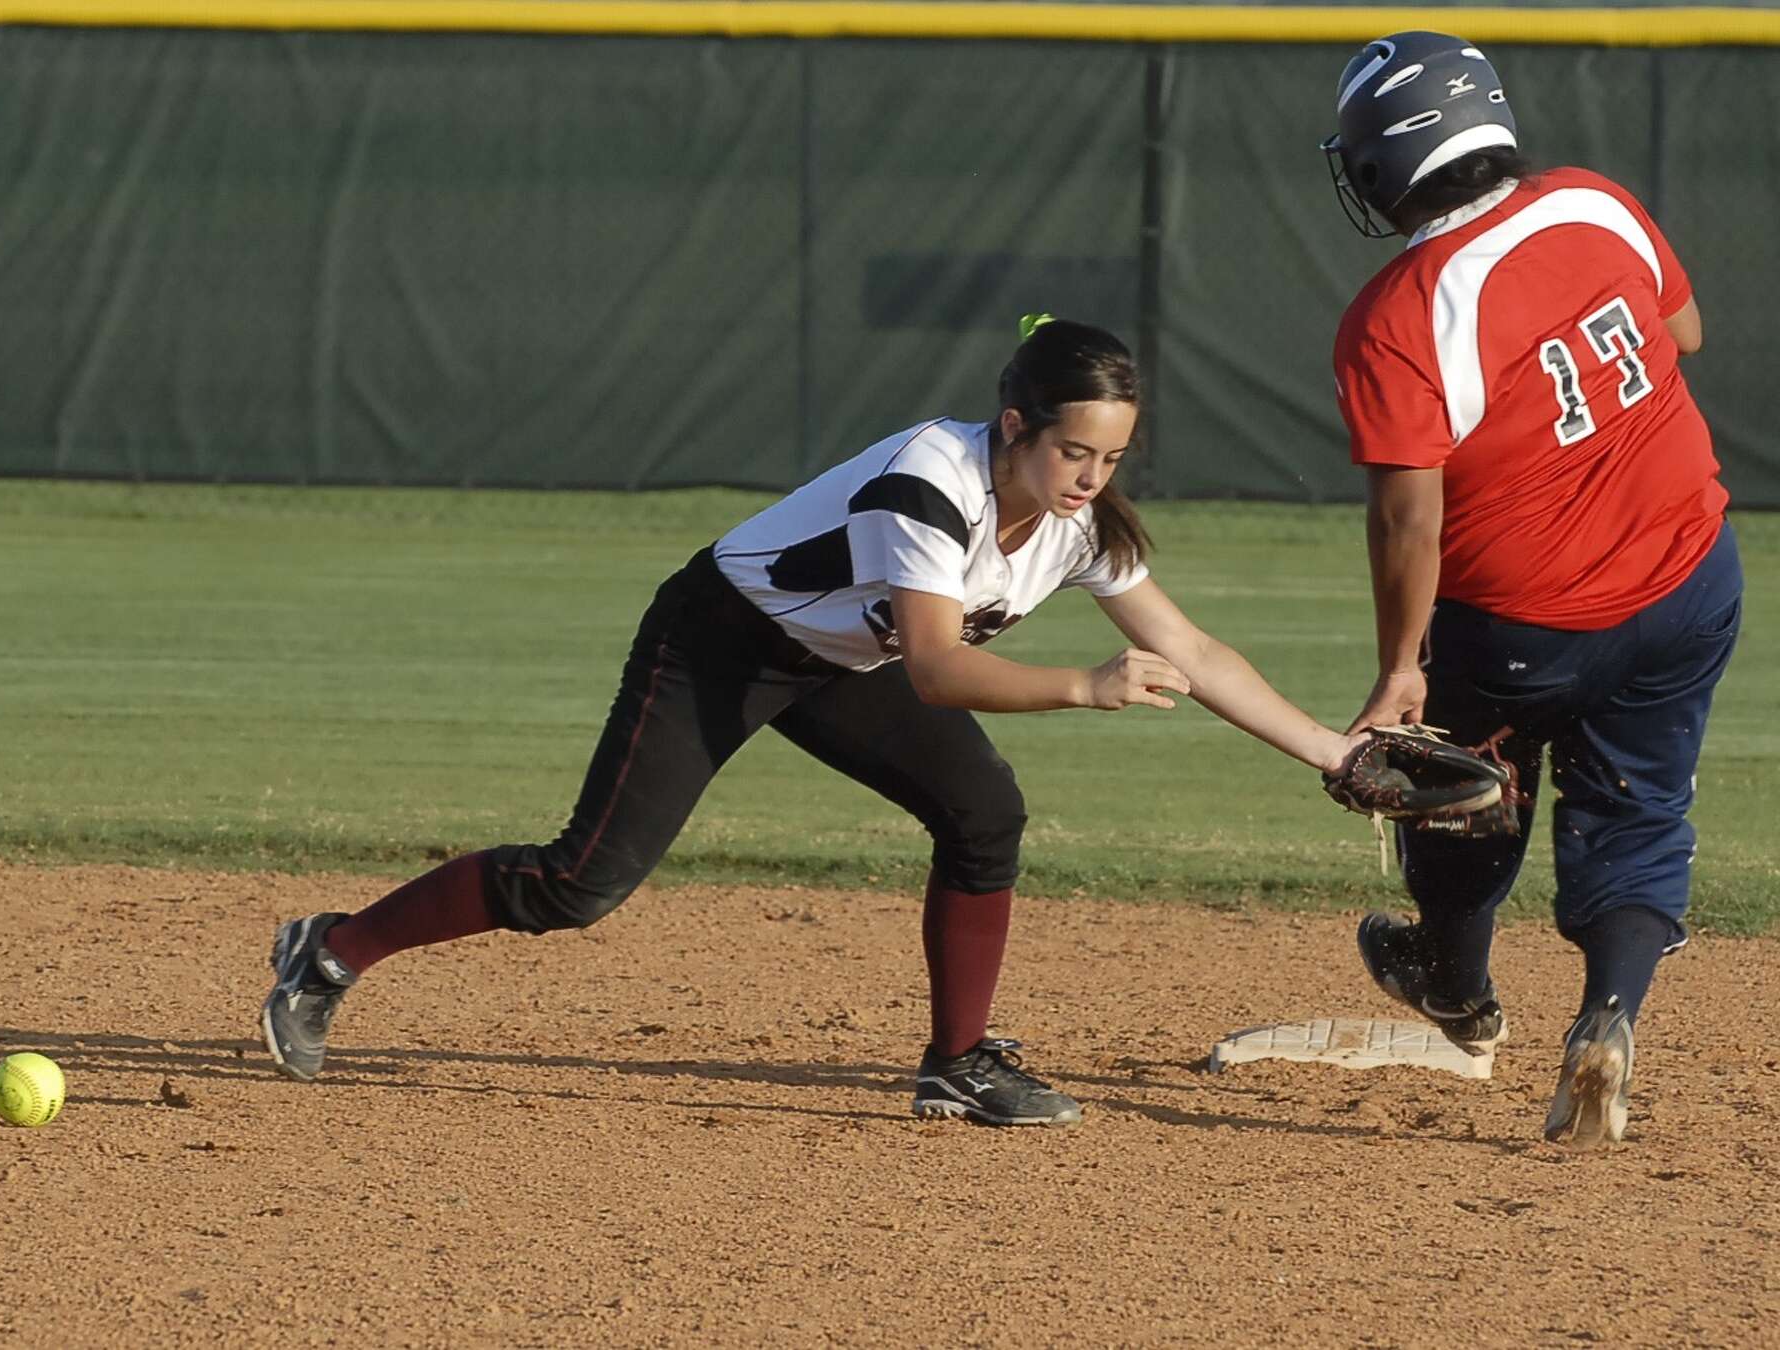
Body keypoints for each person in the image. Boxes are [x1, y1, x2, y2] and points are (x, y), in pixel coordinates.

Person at [260, 317, 1362, 1126]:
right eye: (1075, 450)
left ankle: (957, 1062)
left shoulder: (1083, 525)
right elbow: (936, 669)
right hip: (726, 640)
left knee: (984, 811)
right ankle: (330, 953)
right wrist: (1084, 684)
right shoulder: (931, 484)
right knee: (579, 881)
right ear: (1017, 424)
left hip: (847, 657)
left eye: (1113, 455)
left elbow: (1197, 650)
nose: (1092, 475)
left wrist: (1333, 752)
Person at [1320, 32, 1741, 1148]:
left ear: (1378, 168)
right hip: (1691, 573)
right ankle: (1608, 1016)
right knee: (1641, 809)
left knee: (1467, 791)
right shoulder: (1591, 202)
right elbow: (1683, 331)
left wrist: (1401, 667)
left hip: (1523, 621)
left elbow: (1410, 516)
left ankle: (1451, 980)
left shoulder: (1398, 313)